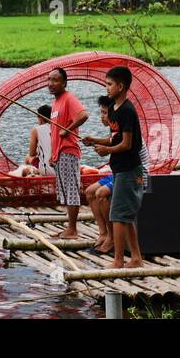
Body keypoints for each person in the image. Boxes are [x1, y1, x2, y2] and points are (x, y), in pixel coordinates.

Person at [91, 65, 146, 269]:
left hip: (129, 170)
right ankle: (137, 259)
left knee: (118, 216)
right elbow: (114, 138)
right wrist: (95, 140)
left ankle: (118, 260)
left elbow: (127, 144)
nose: (107, 88)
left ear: (121, 86)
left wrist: (107, 151)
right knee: (126, 216)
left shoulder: (127, 111)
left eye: (110, 84)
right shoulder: (114, 109)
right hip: (119, 170)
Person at [46, 66, 89, 239]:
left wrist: (68, 129)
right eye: (49, 80)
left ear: (64, 83)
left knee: (71, 189)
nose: (51, 83)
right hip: (59, 153)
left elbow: (84, 115)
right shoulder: (55, 102)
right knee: (64, 190)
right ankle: (69, 227)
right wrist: (52, 154)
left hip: (69, 150)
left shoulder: (69, 98)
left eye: (55, 80)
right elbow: (54, 132)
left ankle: (73, 229)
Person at [83, 96, 116, 252]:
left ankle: (112, 236)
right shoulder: (114, 129)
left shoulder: (122, 127)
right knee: (89, 191)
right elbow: (110, 141)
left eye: (104, 113)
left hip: (131, 175)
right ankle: (103, 233)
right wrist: (93, 141)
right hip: (116, 173)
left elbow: (122, 147)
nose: (101, 116)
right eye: (101, 112)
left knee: (101, 193)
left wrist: (106, 150)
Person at [6, 104, 54, 177]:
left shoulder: (36, 130)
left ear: (40, 118)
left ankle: (28, 179)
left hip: (47, 171)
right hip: (60, 169)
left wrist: (39, 151)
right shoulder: (58, 128)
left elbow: (32, 153)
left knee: (28, 157)